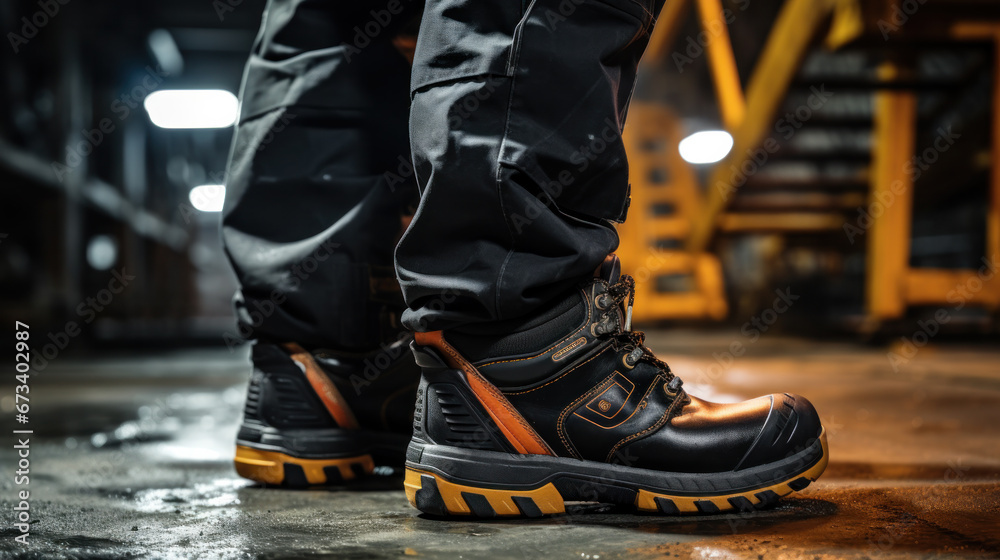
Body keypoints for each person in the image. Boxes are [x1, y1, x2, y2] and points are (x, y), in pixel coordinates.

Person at [223, 0, 829, 516]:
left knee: (337, 18)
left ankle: (331, 357)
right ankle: (527, 350)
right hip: (506, 361)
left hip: (313, 326)